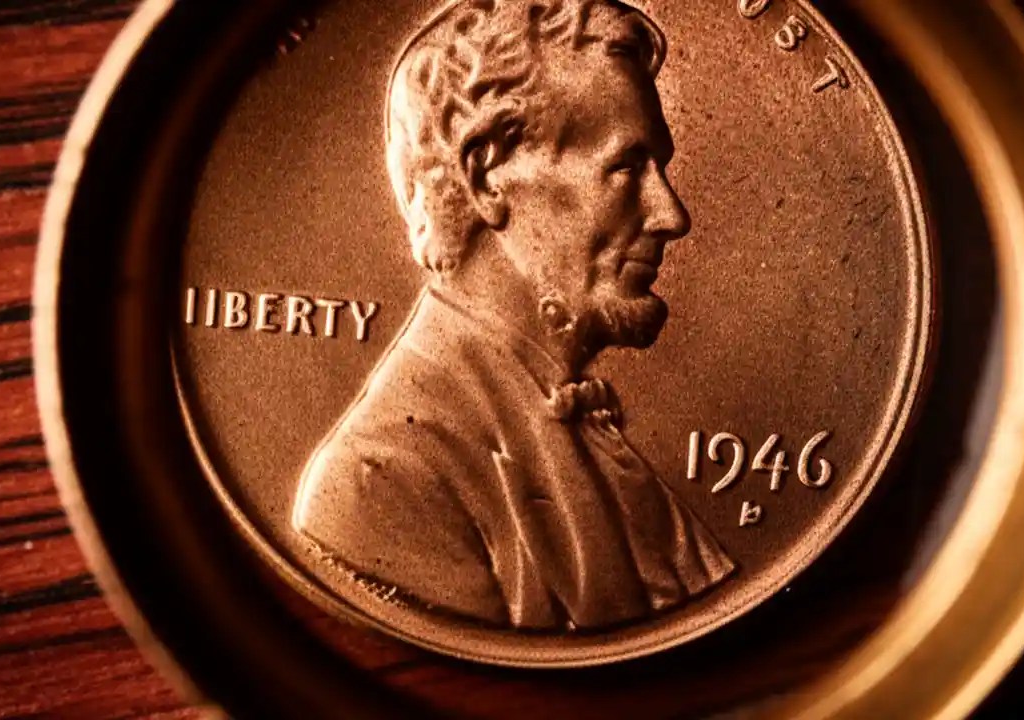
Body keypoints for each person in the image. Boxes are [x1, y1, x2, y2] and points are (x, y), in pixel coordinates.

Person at [292, 0, 734, 631]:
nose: (671, 214)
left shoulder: (584, 426)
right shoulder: (382, 482)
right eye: (626, 167)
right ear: (486, 179)